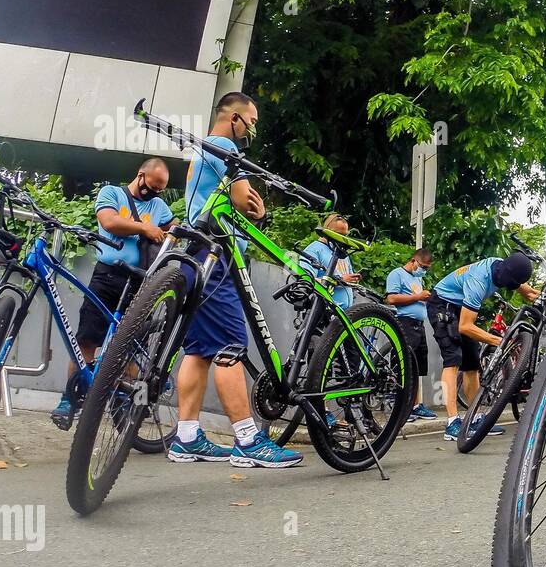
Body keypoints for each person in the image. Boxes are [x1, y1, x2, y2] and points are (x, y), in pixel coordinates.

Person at [167, 91, 301, 468]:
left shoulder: (201, 150)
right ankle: (247, 439)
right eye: (252, 122)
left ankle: (186, 437)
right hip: (217, 256)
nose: (252, 129)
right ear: (235, 118)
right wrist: (258, 209)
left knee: (198, 351)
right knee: (230, 346)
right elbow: (246, 200)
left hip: (195, 254)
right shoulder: (225, 147)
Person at [51, 158, 174, 428]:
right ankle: (69, 399)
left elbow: (173, 230)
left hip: (140, 282)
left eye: (160, 189)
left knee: (130, 346)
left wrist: (169, 235)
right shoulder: (112, 193)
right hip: (107, 277)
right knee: (86, 340)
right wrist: (145, 228)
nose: (154, 193)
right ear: (140, 175)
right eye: (152, 186)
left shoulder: (159, 206)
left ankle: (127, 404)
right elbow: (109, 222)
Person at [428, 250, 537, 441]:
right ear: (504, 275)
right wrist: (500, 341)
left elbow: (529, 292)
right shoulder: (478, 281)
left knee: (472, 363)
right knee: (453, 359)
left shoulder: (502, 266)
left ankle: (475, 418)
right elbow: (465, 326)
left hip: (461, 307)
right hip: (442, 304)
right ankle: (452, 423)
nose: (510, 287)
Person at [386, 248, 438, 421]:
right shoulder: (397, 274)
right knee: (402, 366)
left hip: (418, 325)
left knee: (416, 369)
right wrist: (418, 297)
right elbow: (391, 299)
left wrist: (425, 298)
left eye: (427, 268)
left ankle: (414, 405)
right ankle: (400, 407)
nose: (423, 270)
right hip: (405, 323)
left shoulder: (417, 278)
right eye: (422, 266)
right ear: (413, 261)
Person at [302, 213, 361, 311]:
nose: (342, 239)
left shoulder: (341, 252)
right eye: (338, 234)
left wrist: (353, 279)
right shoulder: (313, 250)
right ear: (327, 231)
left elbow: (347, 278)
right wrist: (339, 280)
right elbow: (306, 280)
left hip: (344, 314)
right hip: (323, 312)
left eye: (344, 235)